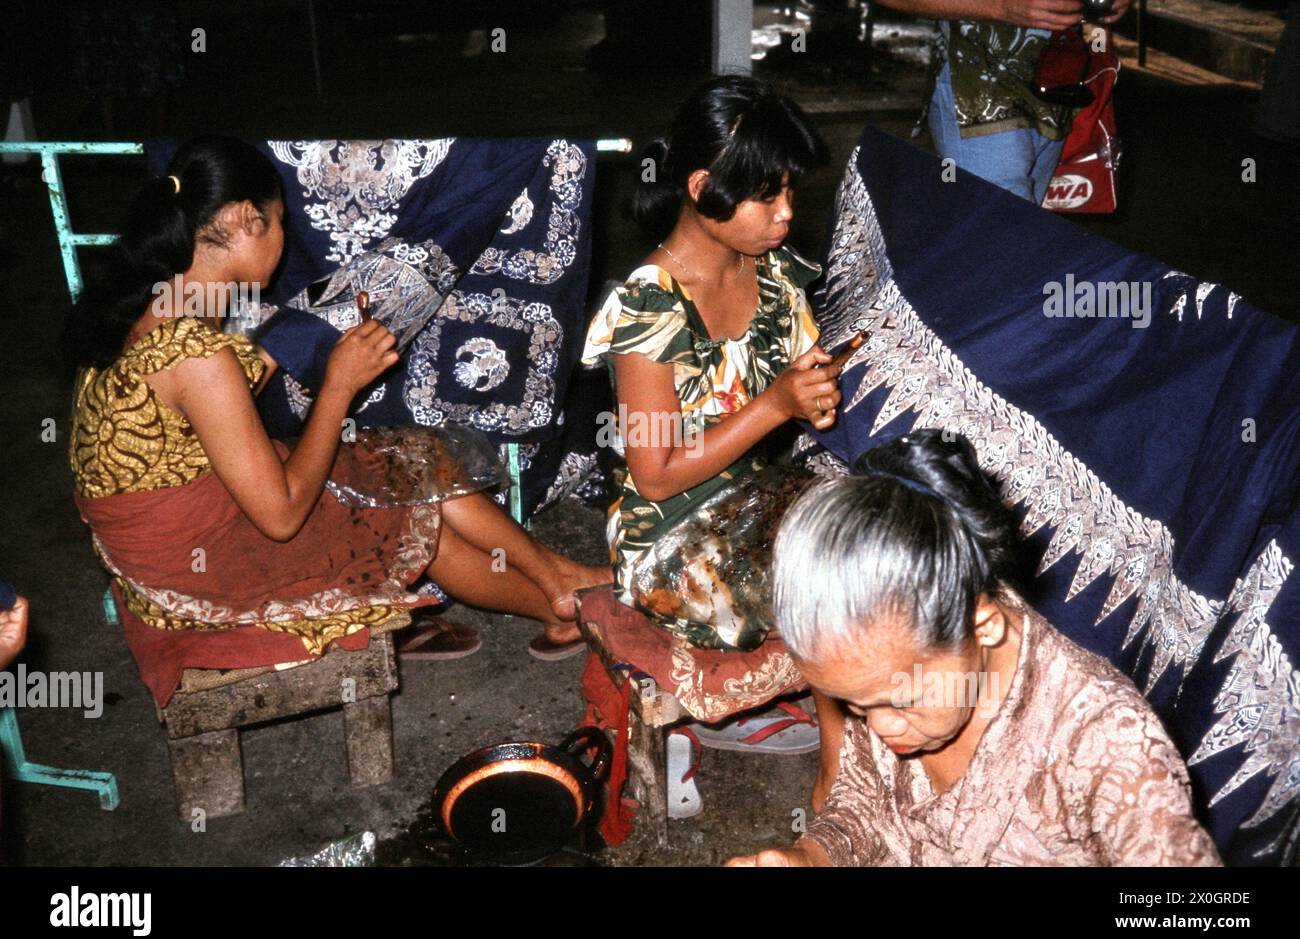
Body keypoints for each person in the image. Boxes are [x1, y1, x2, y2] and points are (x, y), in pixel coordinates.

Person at [64, 136, 609, 675]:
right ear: (244, 220)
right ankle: (561, 594)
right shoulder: (196, 354)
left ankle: (559, 583)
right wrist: (338, 387)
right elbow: (280, 518)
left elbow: (209, 395)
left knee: (404, 456)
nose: (283, 242)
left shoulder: (151, 303)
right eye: (279, 222)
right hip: (189, 568)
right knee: (397, 510)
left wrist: (309, 339)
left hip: (172, 526)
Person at [726, 430, 1221, 866]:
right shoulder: (885, 658)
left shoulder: (1109, 747)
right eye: (853, 705)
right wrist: (810, 857)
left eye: (897, 700)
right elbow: (863, 801)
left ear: (983, 627)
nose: (878, 726)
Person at [581, 77, 840, 764]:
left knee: (879, 533)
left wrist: (818, 387)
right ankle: (738, 710)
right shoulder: (650, 307)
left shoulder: (772, 271)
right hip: (670, 540)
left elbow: (801, 378)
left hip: (752, 498)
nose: (787, 212)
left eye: (790, 191)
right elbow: (657, 476)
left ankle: (836, 741)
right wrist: (776, 405)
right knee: (830, 582)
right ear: (701, 186)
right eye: (768, 195)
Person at [881, 0, 1131, 203]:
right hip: (977, 94)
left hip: (1057, 86)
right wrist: (998, 6)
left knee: (1019, 235)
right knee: (1006, 241)